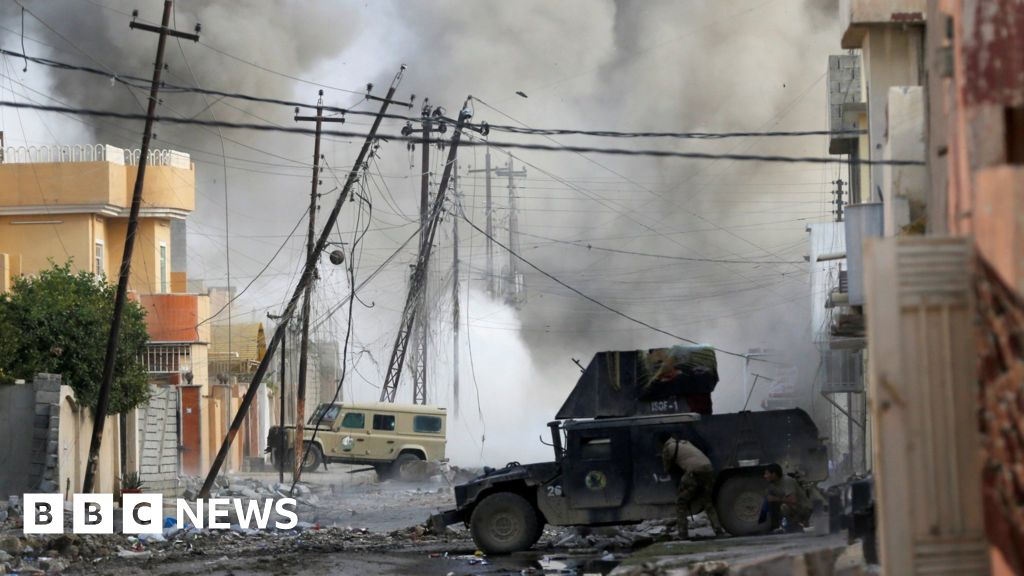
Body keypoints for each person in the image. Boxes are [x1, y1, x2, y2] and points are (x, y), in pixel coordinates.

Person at [661, 434, 725, 539]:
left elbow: (666, 468)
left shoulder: (668, 447)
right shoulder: (685, 442)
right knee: (707, 503)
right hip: (708, 469)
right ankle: (718, 531)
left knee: (681, 503)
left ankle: (682, 533)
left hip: (694, 473)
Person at [763, 463, 811, 532]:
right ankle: (779, 525)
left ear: (773, 474)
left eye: (767, 474)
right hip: (794, 509)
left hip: (803, 509)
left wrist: (775, 499)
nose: (765, 476)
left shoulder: (787, 481)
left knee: (784, 507)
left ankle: (796, 524)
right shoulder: (773, 484)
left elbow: (793, 500)